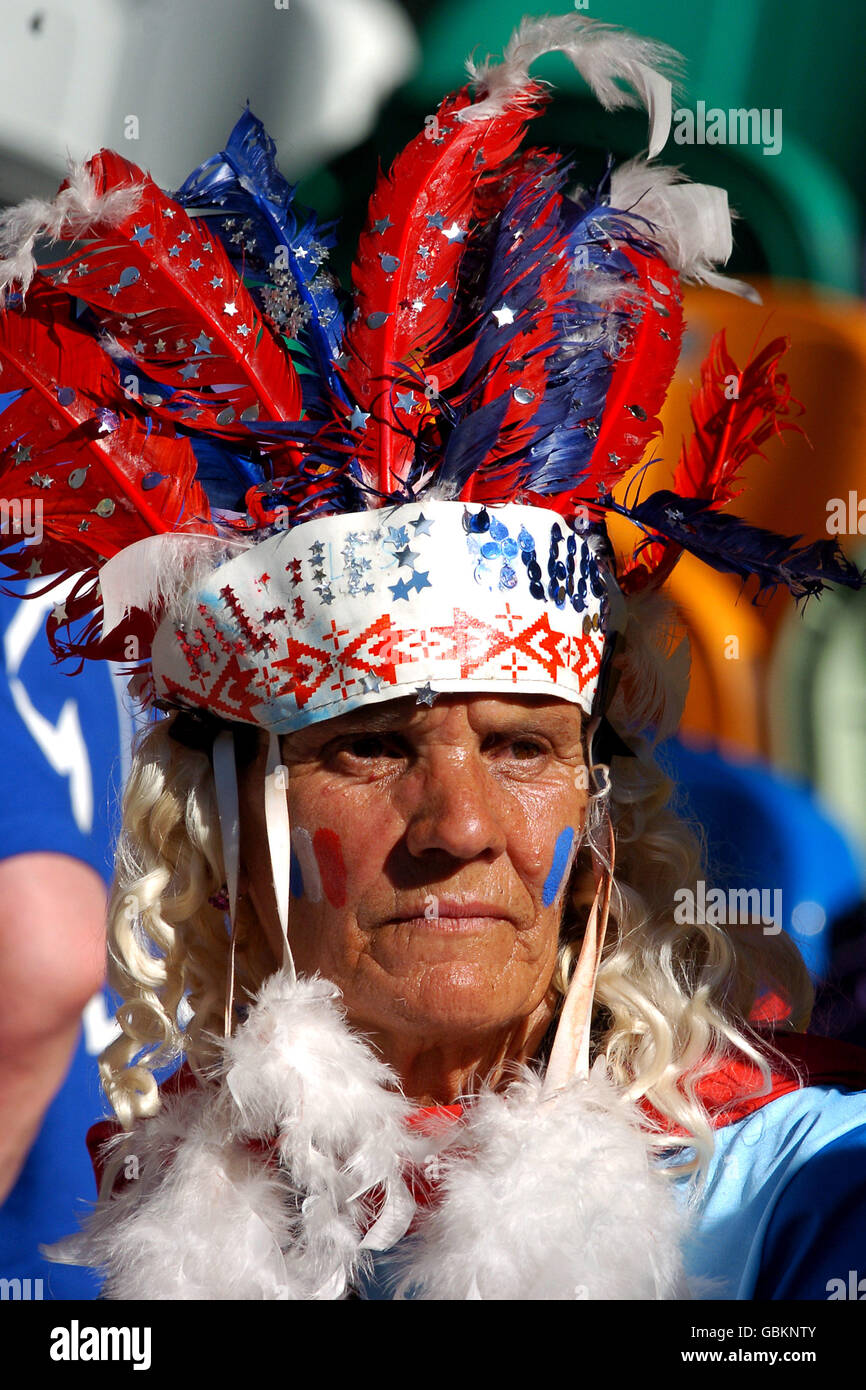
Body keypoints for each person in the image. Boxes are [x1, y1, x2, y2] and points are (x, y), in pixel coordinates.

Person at [0, 14, 864, 1300]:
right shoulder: (148, 1227)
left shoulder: (782, 1206)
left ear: (601, 830)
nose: (460, 821)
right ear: (228, 835)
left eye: (522, 745)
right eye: (368, 743)